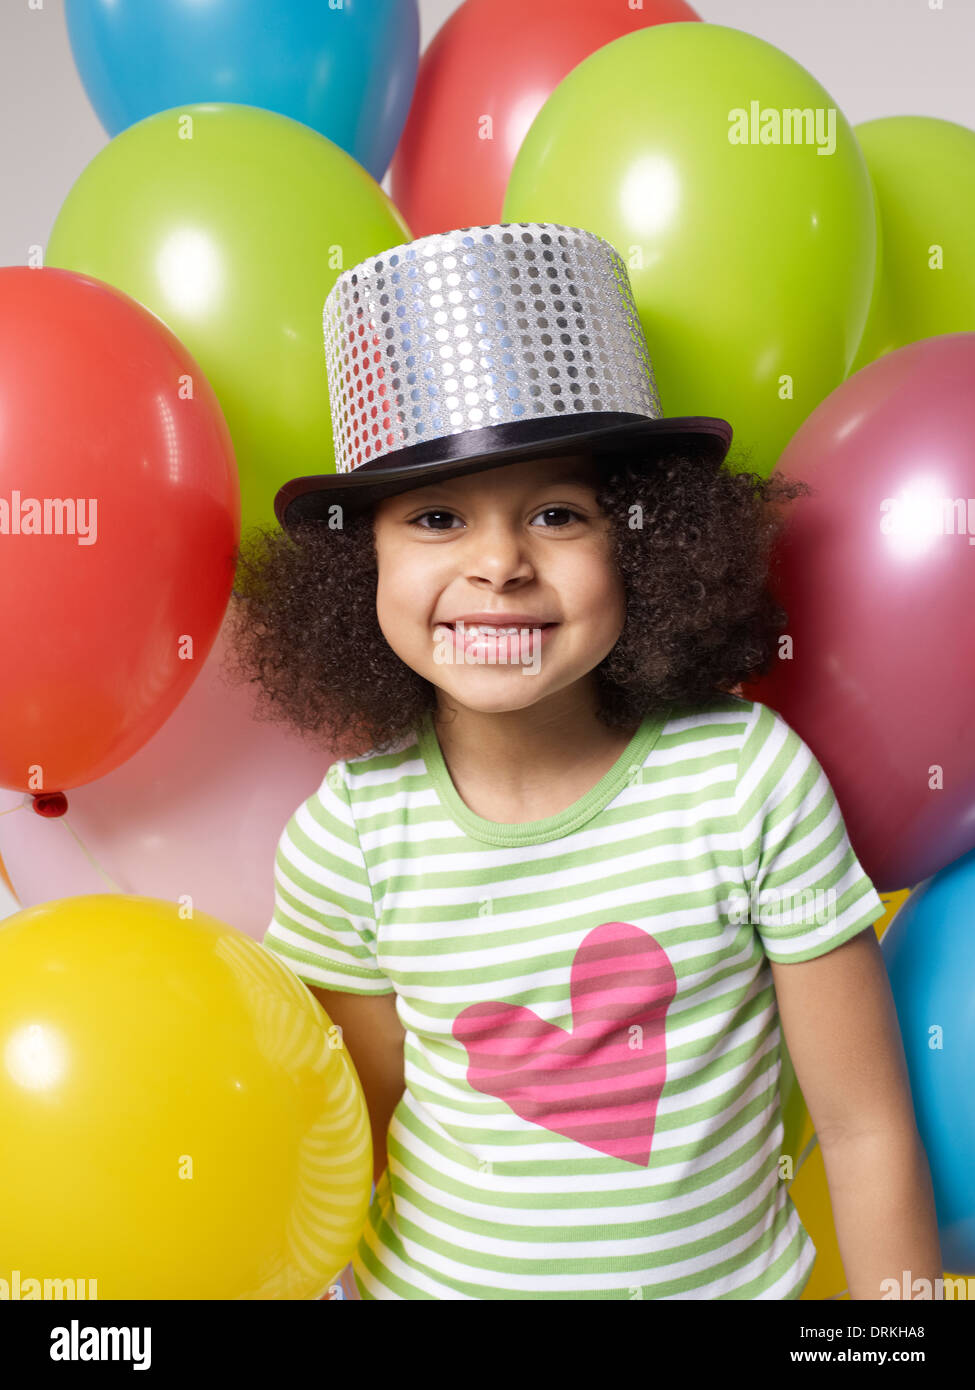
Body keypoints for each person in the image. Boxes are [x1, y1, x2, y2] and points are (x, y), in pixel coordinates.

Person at [224, 223, 942, 1300]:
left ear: (647, 544)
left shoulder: (747, 781)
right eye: (436, 517)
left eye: (559, 513)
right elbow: (341, 1150)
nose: (501, 563)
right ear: (358, 565)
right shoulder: (353, 833)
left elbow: (864, 1124)